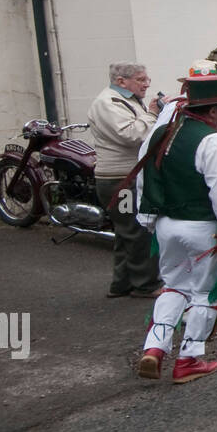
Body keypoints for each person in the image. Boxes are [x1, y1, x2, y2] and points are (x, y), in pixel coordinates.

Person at [135, 72, 217, 383]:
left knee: (174, 286)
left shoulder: (164, 131)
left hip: (166, 226)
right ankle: (189, 358)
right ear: (215, 110)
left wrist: (147, 220)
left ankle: (155, 349)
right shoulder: (214, 141)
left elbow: (144, 176)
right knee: (206, 293)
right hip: (203, 230)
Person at [88, 62, 162, 298]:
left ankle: (121, 284)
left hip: (124, 177)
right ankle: (146, 285)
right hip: (120, 179)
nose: (147, 83)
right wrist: (152, 114)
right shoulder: (107, 103)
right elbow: (132, 135)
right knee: (138, 231)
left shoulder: (124, 101)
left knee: (125, 232)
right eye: (141, 79)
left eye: (146, 78)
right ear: (121, 81)